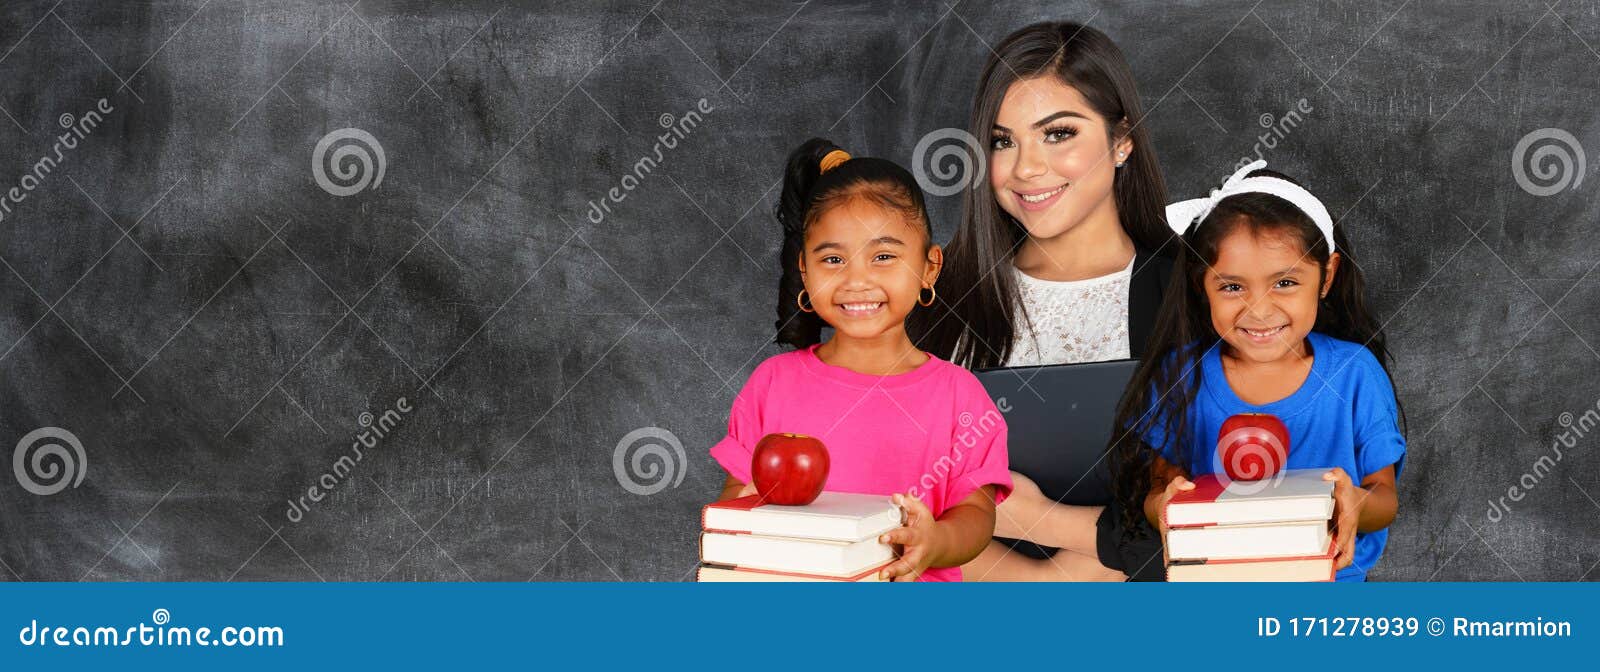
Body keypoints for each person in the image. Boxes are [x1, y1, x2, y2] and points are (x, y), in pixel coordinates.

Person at [914, 21, 1174, 581]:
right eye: (1002, 141)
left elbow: (1226, 513)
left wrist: (1044, 523)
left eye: (1058, 133)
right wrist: (1033, 583)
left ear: (1122, 139)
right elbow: (887, 488)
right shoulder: (937, 294)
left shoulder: (1196, 289)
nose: (1026, 168)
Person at [709, 138, 1013, 581]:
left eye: (883, 257)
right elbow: (735, 505)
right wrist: (750, 511)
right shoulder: (772, 383)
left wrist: (935, 541)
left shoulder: (959, 395)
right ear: (805, 270)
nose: (856, 280)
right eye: (833, 259)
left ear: (929, 267)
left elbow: (976, 516)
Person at [1116, 160, 1406, 581]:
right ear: (1202, 287)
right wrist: (1164, 504)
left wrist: (1353, 503)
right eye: (1232, 287)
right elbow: (1161, 485)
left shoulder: (1355, 373)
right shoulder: (1180, 373)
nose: (1259, 310)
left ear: (1326, 277)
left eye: (1285, 283)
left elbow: (1385, 499)